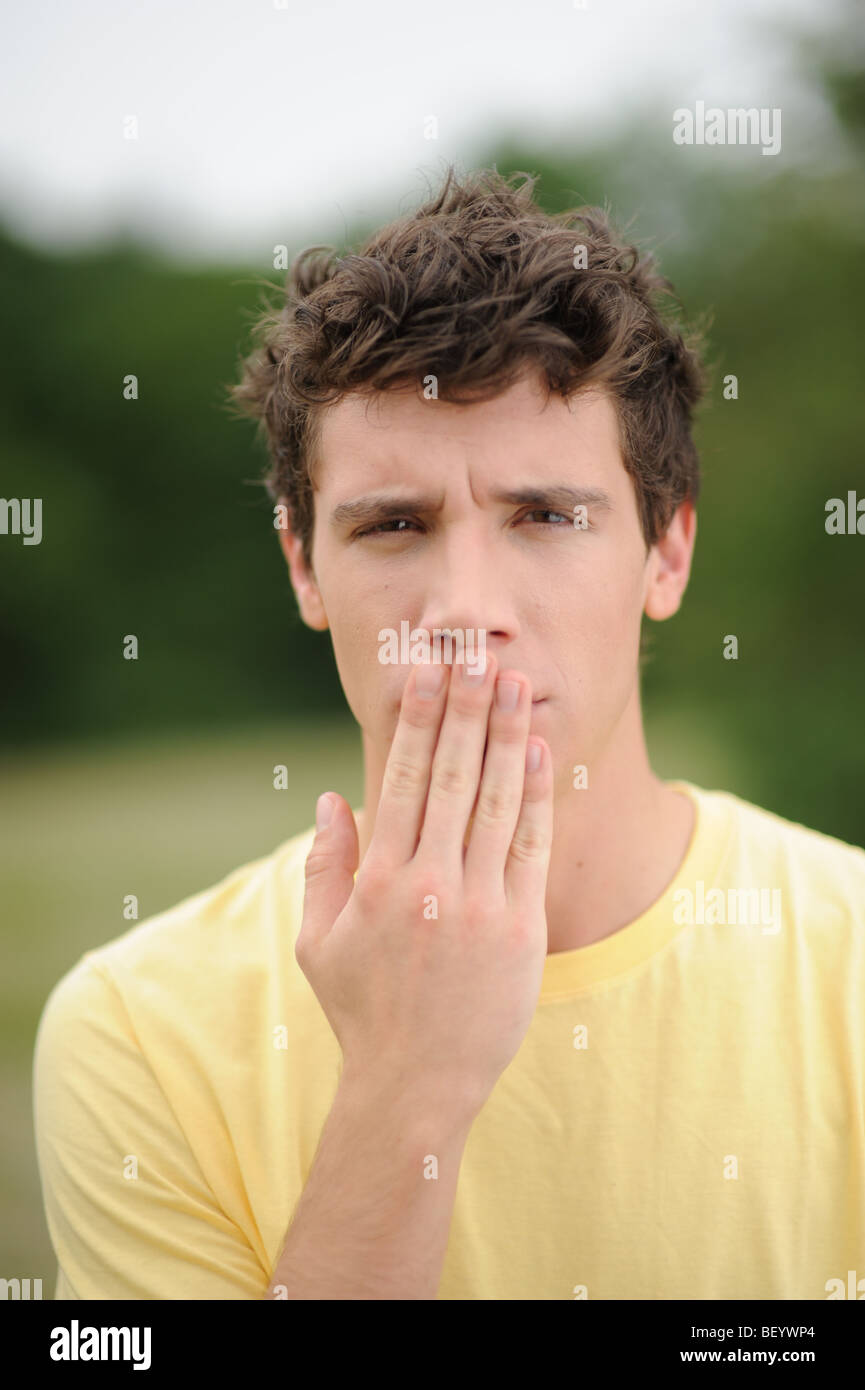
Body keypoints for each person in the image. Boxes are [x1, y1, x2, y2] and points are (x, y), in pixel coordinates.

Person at [33, 165, 865, 1301]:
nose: (465, 607)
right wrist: (406, 1082)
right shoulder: (137, 1031)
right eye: (392, 525)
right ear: (302, 566)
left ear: (666, 551)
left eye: (544, 516)